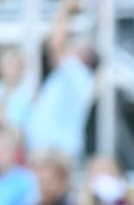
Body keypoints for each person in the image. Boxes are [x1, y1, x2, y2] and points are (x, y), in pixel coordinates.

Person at [24, 0, 98, 159]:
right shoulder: (71, 76)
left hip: (56, 152)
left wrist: (65, 9)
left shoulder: (78, 74)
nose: (72, 46)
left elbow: (56, 45)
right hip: (50, 151)